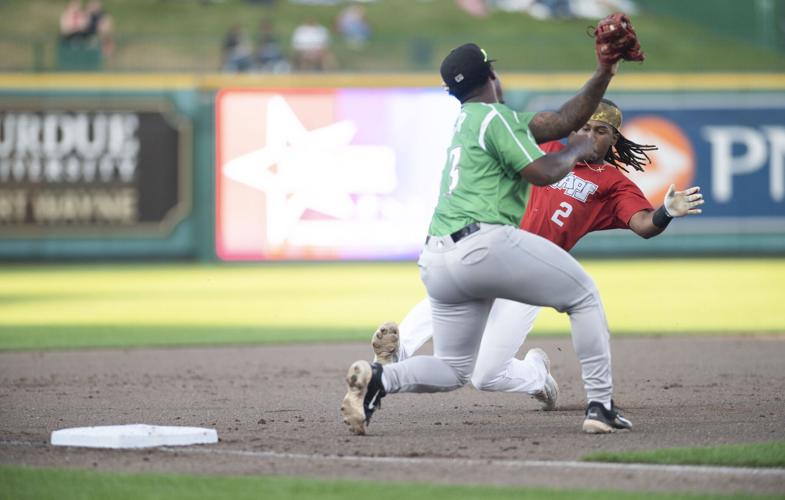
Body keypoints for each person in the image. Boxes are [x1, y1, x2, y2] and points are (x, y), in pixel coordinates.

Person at [341, 41, 629, 436]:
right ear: (492, 76)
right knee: (583, 296)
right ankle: (601, 406)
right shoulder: (496, 117)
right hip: (484, 244)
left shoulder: (470, 119)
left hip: (437, 258)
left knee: (453, 369)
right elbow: (544, 171)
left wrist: (604, 72)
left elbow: (563, 120)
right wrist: (577, 148)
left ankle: (379, 379)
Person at [368, 99, 704, 432]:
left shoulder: (612, 183)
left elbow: (643, 225)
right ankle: (398, 352)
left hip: (531, 272)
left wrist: (665, 212)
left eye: (600, 131)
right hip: (492, 247)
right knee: (452, 289)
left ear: (614, 137)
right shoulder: (546, 149)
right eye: (584, 127)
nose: (589, 136)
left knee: (486, 376)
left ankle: (537, 376)